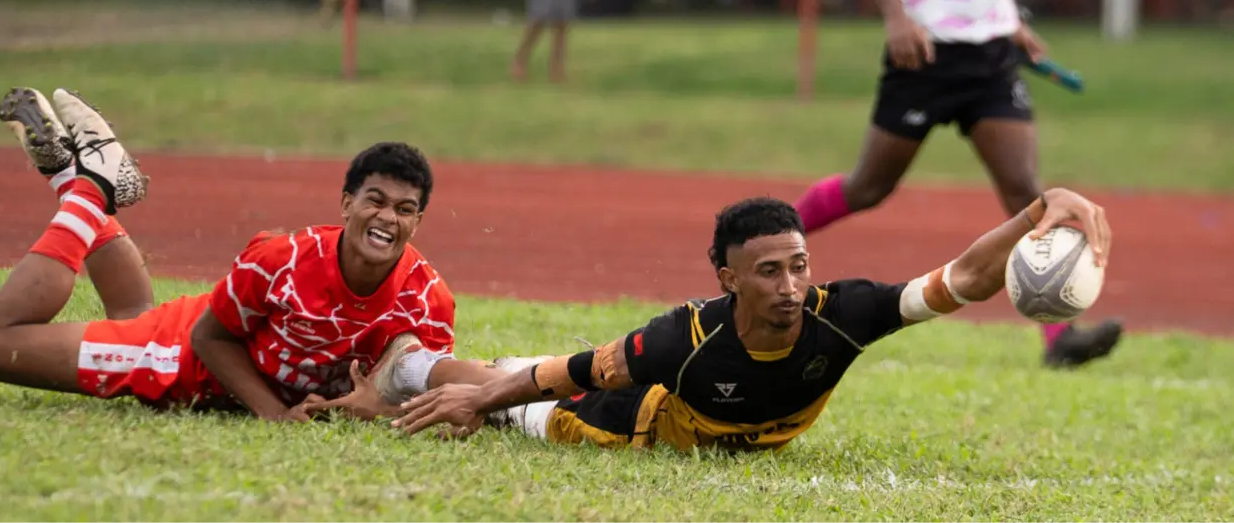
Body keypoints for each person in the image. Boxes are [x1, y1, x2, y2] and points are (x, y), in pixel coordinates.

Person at [787, 0, 1123, 368]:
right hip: (924, 59)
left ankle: (1058, 339)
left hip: (991, 62)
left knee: (1029, 195)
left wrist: (1011, 24)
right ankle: (762, 248)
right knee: (869, 187)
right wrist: (896, 18)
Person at [393, 190, 1113, 450]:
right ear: (729, 280)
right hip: (630, 423)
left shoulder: (846, 314)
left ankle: (443, 373)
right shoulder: (684, 337)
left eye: (798, 265)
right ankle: (413, 371)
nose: (792, 284)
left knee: (517, 374)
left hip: (673, 399)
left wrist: (1034, 211)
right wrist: (486, 397)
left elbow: (963, 279)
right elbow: (577, 373)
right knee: (508, 391)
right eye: (769, 272)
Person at [0, 87, 505, 420]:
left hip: (195, 340)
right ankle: (93, 190)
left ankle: (73, 174)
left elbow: (427, 399)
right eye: (376, 201)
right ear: (346, 203)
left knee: (132, 315)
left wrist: (374, 410)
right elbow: (208, 337)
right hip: (182, 362)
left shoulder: (430, 299)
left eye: (405, 209)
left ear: (418, 220)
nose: (388, 219)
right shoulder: (285, 259)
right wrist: (272, 413)